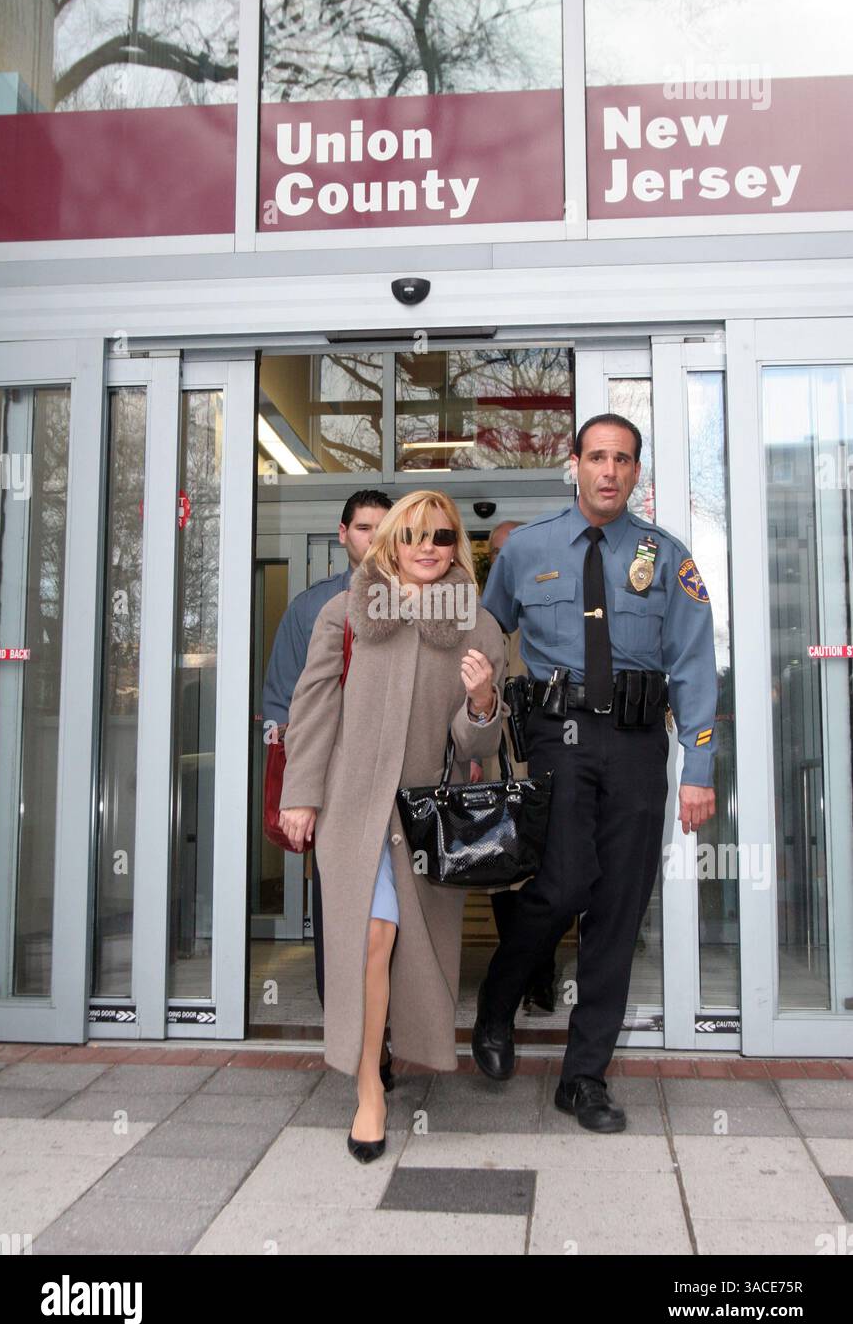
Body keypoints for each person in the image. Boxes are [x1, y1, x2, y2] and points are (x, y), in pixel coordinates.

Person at [473, 413, 717, 1132]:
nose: (609, 471)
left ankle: (584, 1078)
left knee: (617, 910)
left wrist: (698, 766)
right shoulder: (527, 551)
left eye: (624, 460)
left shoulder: (666, 556)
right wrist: (470, 713)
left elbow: (696, 666)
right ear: (573, 462)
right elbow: (484, 641)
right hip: (559, 736)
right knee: (562, 883)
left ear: (636, 472)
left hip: (640, 742)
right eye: (597, 456)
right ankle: (498, 1000)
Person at [279, 490, 506, 1162]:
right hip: (355, 808)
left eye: (441, 535)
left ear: (455, 542)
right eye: (414, 535)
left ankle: (402, 1050)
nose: (428, 546)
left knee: (416, 947)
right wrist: (302, 794)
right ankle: (370, 1090)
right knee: (373, 939)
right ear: (391, 543)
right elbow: (313, 704)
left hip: (426, 816)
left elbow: (478, 748)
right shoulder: (344, 611)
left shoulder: (479, 625)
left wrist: (482, 699)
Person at [262, 490, 391, 1020]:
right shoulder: (312, 609)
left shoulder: (422, 603)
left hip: (403, 780)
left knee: (399, 907)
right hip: (337, 786)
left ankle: (388, 1027)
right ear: (343, 535)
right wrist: (300, 794)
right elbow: (284, 710)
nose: (375, 539)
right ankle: (343, 1021)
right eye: (364, 528)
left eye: (386, 528)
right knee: (340, 907)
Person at [484, 521, 565, 1014]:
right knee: (503, 876)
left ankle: (541, 974)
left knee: (548, 878)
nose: (503, 561)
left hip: (544, 766)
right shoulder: (481, 623)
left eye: (510, 552)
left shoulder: (548, 613)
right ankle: (518, 978)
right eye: (495, 554)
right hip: (496, 767)